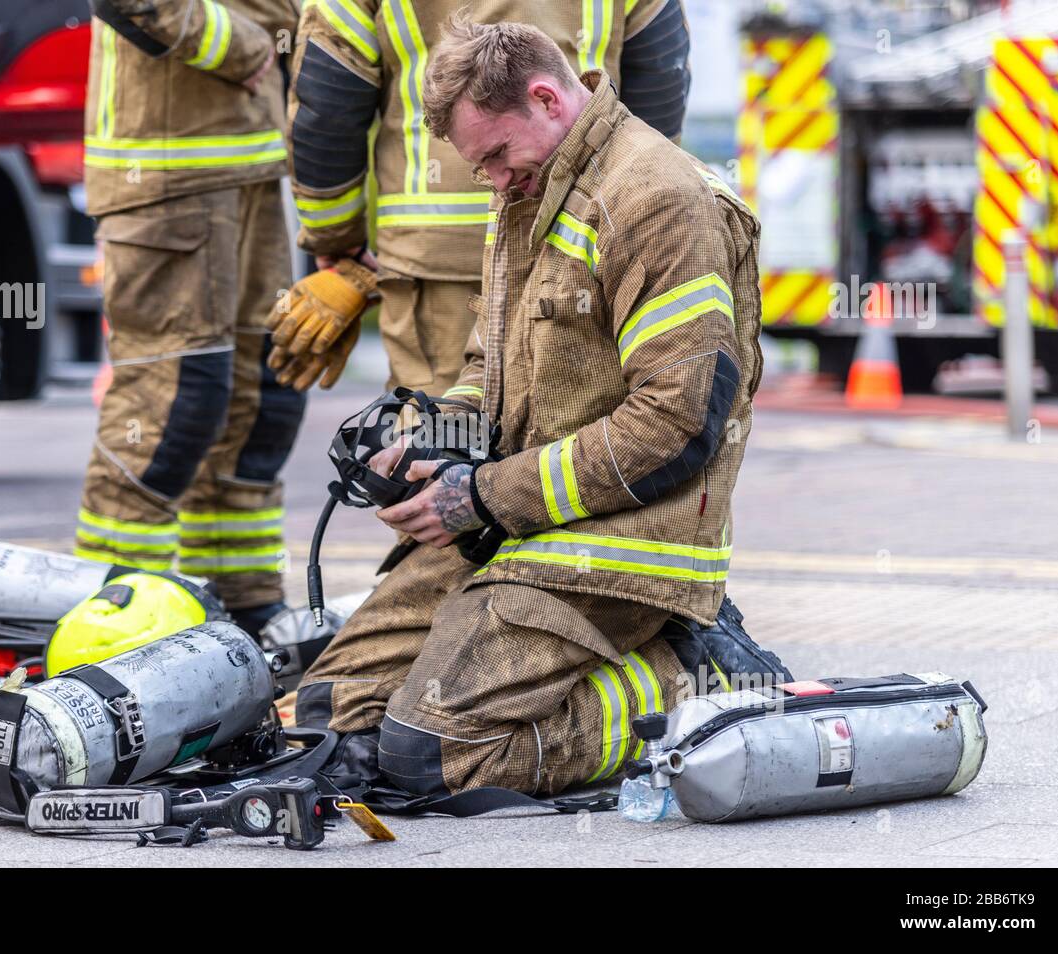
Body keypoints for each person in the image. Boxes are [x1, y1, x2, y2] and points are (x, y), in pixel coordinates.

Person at [296, 15, 768, 798]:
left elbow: (674, 424)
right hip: (518, 523)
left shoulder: (655, 199)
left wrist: (478, 494)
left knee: (432, 750)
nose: (491, 179)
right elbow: (491, 366)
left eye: (493, 156)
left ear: (547, 99)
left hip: (625, 547)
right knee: (330, 718)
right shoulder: (529, 190)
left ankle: (685, 675)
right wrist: (432, 442)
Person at [271, 0, 694, 395]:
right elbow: (660, 70)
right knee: (578, 424)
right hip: (586, 233)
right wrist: (641, 210)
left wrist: (338, 243)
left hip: (437, 260)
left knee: (436, 438)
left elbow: (328, 94)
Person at [75, 0, 306, 635]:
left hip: (251, 165)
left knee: (262, 397)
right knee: (172, 404)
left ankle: (241, 606)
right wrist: (244, 46)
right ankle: (115, 619)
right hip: (165, 175)